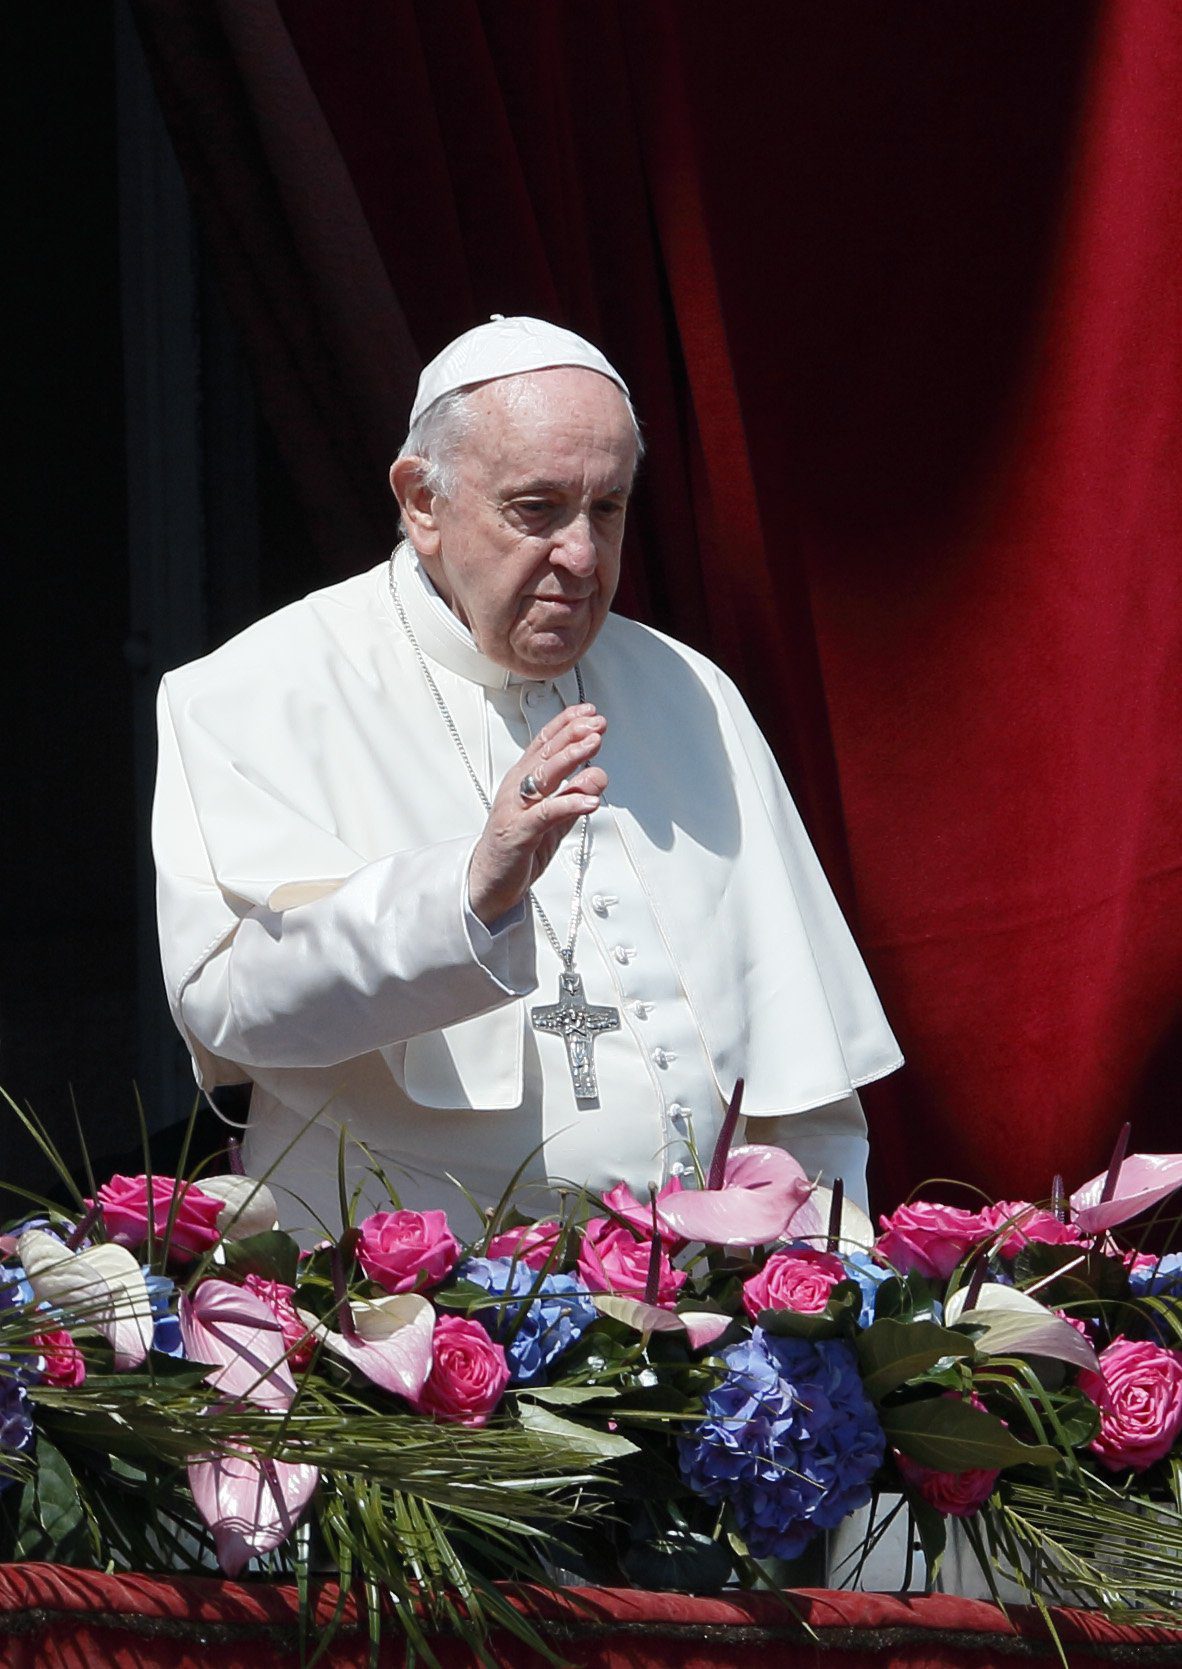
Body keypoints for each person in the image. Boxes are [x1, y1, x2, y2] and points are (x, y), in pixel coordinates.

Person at [153, 316, 901, 1239]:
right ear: (422, 500)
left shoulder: (689, 691)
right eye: (537, 510)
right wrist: (465, 895)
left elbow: (802, 1081)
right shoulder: (255, 691)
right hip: (418, 1330)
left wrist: (834, 1280)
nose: (581, 558)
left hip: (712, 1327)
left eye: (609, 509)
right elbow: (233, 1006)